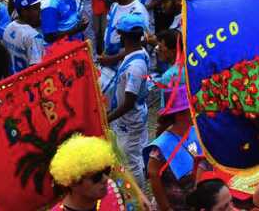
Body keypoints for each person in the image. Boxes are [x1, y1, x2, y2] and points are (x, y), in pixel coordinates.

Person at [104, 13, 151, 193]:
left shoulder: (135, 66)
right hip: (135, 116)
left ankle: (138, 195)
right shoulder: (138, 51)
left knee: (130, 160)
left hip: (130, 120)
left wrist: (108, 117)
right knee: (137, 153)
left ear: (123, 36)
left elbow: (129, 102)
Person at [47, 134, 144, 211]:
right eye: (96, 177)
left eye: (106, 171)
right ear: (73, 183)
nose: (106, 179)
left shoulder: (113, 193)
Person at [145, 84, 200, 210]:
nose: (194, 111)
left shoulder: (193, 131)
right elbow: (154, 178)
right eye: (190, 109)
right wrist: (166, 208)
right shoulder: (160, 148)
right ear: (179, 115)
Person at [3, 0, 46, 73]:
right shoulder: (33, 36)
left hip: (12, 79)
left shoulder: (8, 28)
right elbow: (37, 70)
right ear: (24, 11)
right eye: (36, 8)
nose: (40, 10)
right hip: (27, 83)